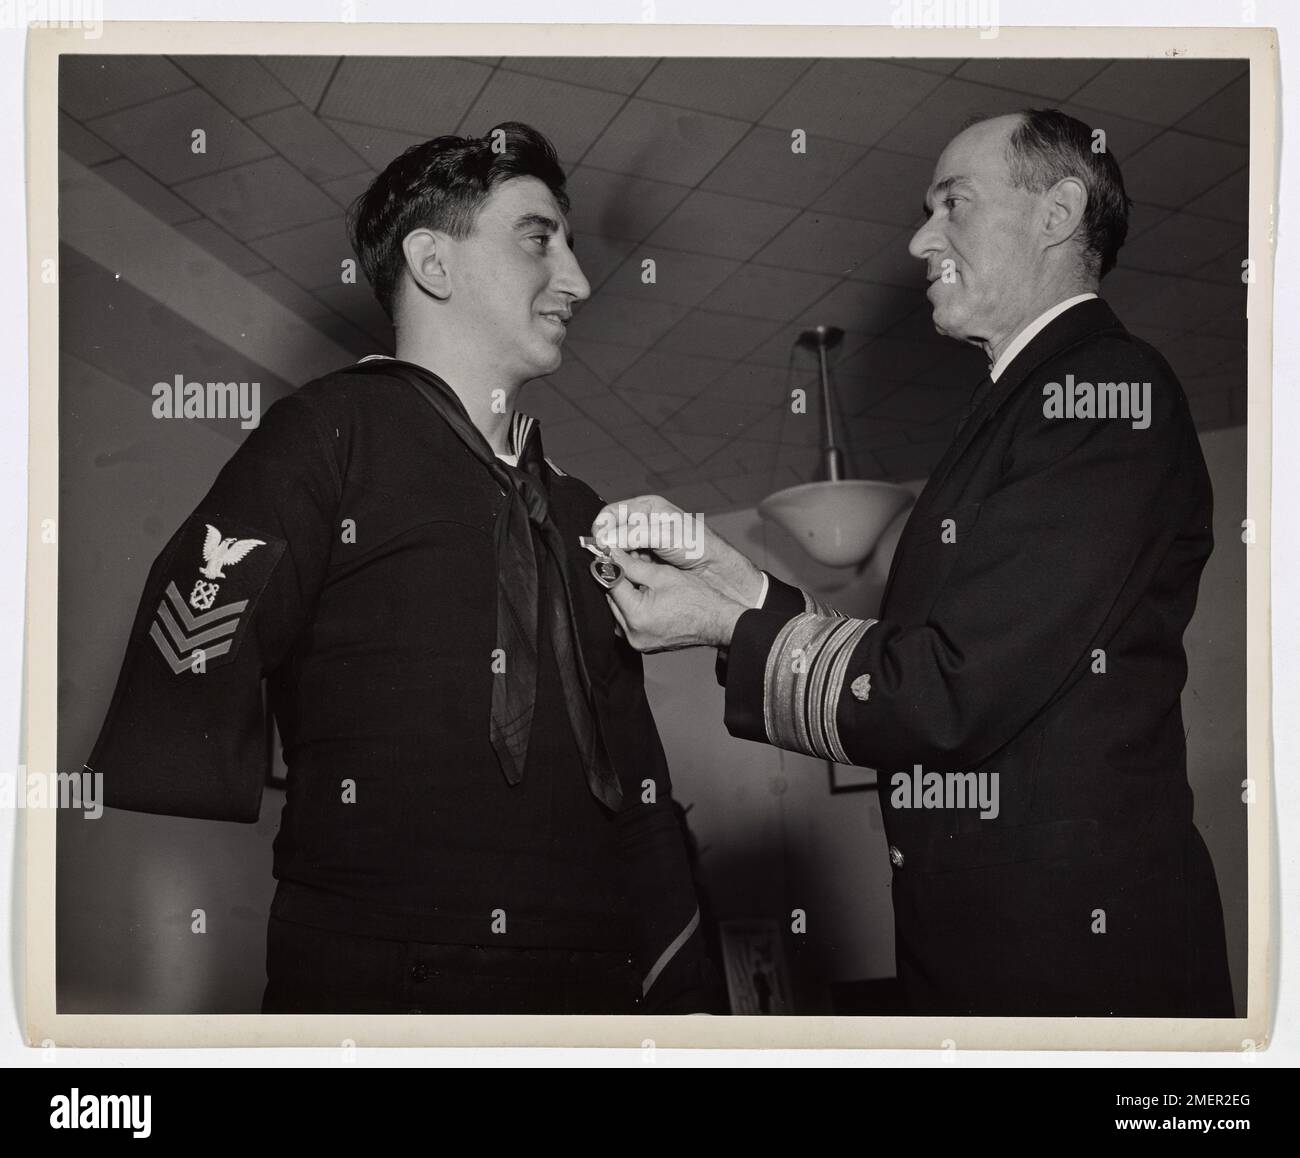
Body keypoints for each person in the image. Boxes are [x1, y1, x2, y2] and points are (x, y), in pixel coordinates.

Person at [592, 109, 1235, 1017]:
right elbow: (928, 657)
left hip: (1073, 975)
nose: (919, 236)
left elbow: (945, 693)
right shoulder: (1025, 403)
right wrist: (731, 583)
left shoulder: (1100, 393)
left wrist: (718, 619)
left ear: (1057, 213)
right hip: (1011, 960)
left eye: (953, 204)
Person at [87, 122, 721, 1015]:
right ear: (434, 262)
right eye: (541, 238)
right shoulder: (329, 436)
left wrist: (683, 988)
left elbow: (639, 778)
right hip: (386, 984)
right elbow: (201, 608)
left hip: (598, 987)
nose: (577, 279)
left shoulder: (584, 516)